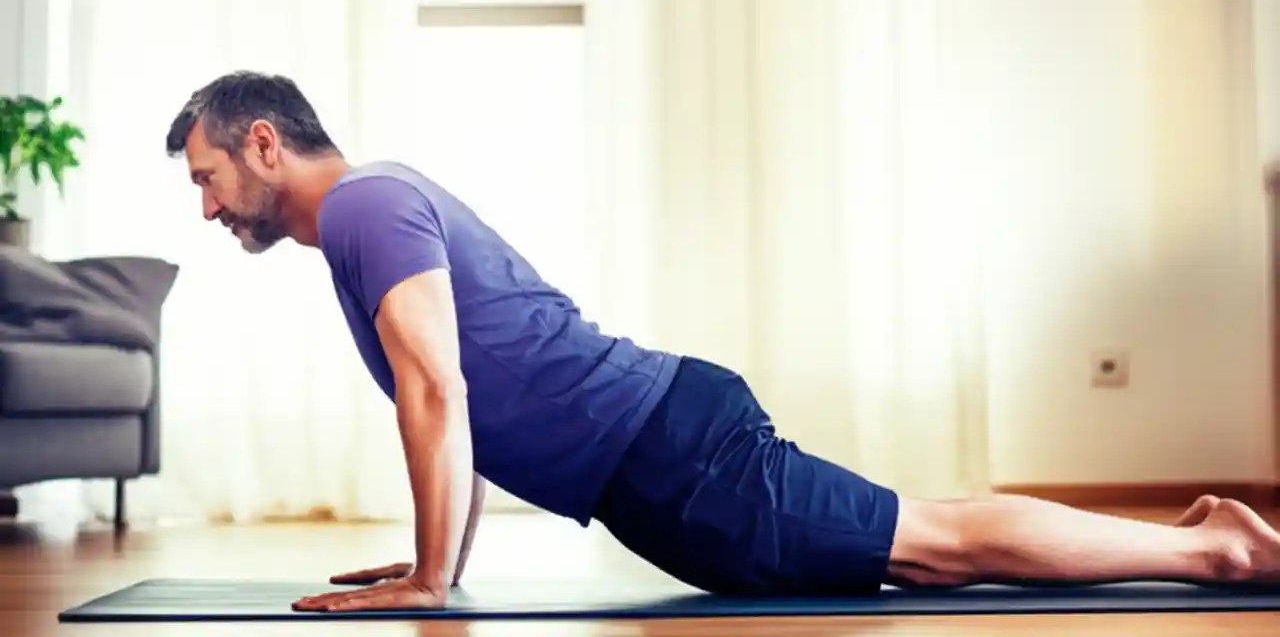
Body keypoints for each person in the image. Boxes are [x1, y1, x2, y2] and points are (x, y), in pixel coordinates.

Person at [164, 71, 1280, 613]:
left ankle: (1214, 551)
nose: (208, 209)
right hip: (658, 459)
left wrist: (426, 578)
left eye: (208, 178)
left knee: (932, 544)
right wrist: (432, 568)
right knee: (920, 540)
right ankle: (1191, 536)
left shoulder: (362, 207)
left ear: (263, 144)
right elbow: (453, 390)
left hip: (672, 452)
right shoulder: (370, 212)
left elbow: (439, 390)